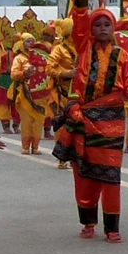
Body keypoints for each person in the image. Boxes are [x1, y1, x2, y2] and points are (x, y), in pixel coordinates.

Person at [53, 0, 128, 242]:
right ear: (90, 29)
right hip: (84, 118)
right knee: (84, 173)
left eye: (107, 24)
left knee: (111, 175)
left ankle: (112, 227)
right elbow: (79, 18)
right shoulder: (83, 48)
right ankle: (89, 223)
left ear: (113, 28)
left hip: (113, 121)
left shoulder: (122, 55)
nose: (102, 28)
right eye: (97, 24)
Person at [9, 33, 50, 154]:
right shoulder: (19, 58)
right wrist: (25, 73)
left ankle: (36, 147)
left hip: (41, 94)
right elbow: (13, 74)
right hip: (25, 94)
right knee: (26, 121)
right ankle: (25, 147)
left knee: (38, 121)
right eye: (28, 41)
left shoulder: (42, 58)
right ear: (22, 43)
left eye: (32, 41)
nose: (31, 43)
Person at [47, 18, 77, 169]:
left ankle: (75, 156)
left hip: (79, 92)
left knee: (77, 125)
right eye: (74, 31)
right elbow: (49, 69)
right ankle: (61, 157)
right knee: (62, 124)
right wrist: (68, 73)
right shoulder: (59, 49)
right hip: (61, 92)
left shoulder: (84, 48)